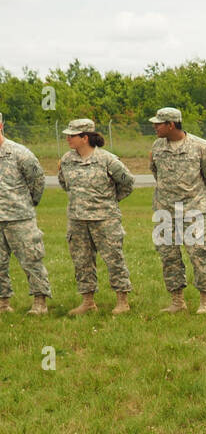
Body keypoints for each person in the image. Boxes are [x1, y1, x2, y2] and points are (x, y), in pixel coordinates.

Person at [147, 107, 206, 314]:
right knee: (168, 256)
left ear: (171, 125)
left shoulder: (200, 147)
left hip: (193, 211)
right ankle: (177, 301)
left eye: (158, 123)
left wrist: (199, 200)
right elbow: (156, 172)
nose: (155, 126)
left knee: (199, 255)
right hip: (165, 211)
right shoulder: (157, 146)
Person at [58, 118, 134, 315]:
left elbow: (127, 183)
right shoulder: (67, 159)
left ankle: (122, 300)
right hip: (77, 219)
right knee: (82, 261)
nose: (68, 139)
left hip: (105, 219)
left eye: (72, 135)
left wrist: (109, 201)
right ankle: (88, 301)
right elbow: (64, 183)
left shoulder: (107, 160)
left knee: (114, 259)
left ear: (85, 137)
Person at [0, 111, 51, 315]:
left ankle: (40, 302)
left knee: (31, 260)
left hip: (19, 218)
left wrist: (27, 204)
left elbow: (37, 181)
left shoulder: (19, 153)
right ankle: (3, 303)